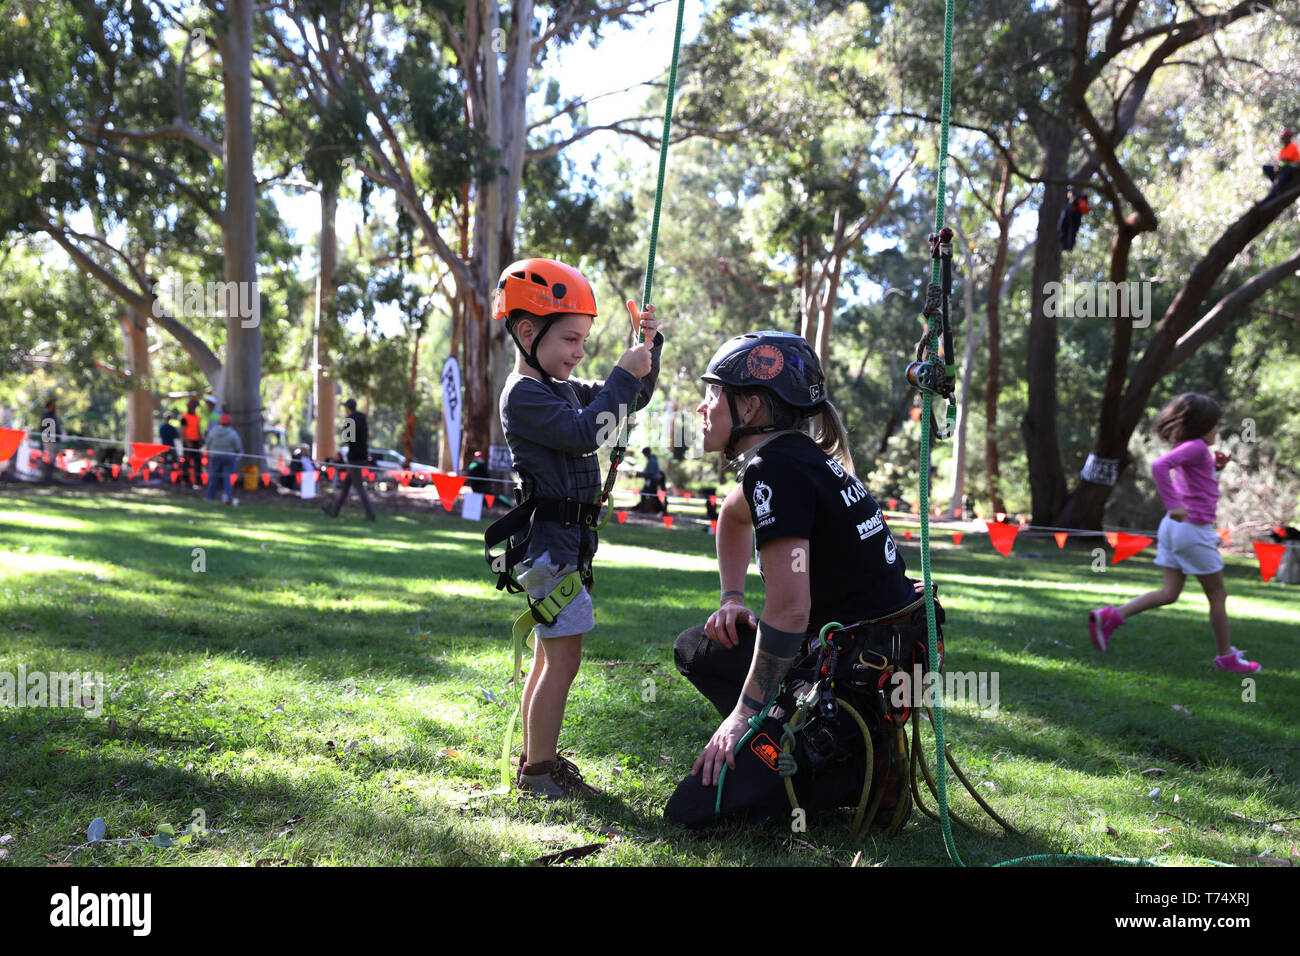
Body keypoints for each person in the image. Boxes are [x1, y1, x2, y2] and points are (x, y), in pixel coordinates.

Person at [664, 332, 932, 828]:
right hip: (846, 667)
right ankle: (796, 739)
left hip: (844, 690)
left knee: (690, 814)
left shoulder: (776, 468)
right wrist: (731, 597)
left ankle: (855, 772)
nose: (702, 408)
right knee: (697, 647)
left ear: (749, 405)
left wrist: (742, 715)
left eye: (712, 393)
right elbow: (733, 514)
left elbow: (790, 610)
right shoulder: (791, 458)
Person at [495, 257, 663, 799]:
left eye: (584, 340)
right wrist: (621, 372)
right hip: (549, 548)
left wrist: (647, 355)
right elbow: (586, 432)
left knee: (551, 657)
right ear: (527, 332)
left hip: (567, 547)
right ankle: (540, 773)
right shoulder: (525, 395)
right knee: (563, 660)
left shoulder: (561, 387)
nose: (579, 351)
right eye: (571, 338)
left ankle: (534, 763)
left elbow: (628, 400)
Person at [1089, 393, 1258, 673]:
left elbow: (1192, 477)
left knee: (1170, 592)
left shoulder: (1194, 449)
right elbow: (1159, 466)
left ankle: (1110, 617)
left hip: (1174, 528)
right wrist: (1174, 504)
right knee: (1218, 595)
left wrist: (1214, 465)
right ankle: (1226, 658)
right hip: (1191, 529)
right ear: (1202, 425)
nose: (1217, 429)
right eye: (1214, 424)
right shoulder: (1194, 448)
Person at [324, 398, 375, 520]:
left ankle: (370, 514)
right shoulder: (362, 418)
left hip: (354, 457)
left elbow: (347, 439)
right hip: (362, 454)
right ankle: (334, 510)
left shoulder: (350, 419)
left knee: (359, 486)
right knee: (346, 485)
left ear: (347, 408)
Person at [203, 412, 244, 505]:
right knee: (227, 478)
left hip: (214, 457)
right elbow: (238, 447)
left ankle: (209, 497)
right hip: (229, 458)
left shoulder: (213, 431)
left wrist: (210, 453)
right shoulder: (232, 433)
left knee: (213, 477)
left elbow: (208, 444)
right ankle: (227, 497)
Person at [1261, 129, 1298, 201]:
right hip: (1281, 169)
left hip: (1290, 170)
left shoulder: (1292, 147)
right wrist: (1277, 165)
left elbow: (1285, 161)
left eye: (1284, 138)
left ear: (1288, 138)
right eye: (1282, 138)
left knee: (1283, 169)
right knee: (1266, 167)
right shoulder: (1283, 150)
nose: (1282, 139)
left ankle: (1277, 189)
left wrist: (1280, 164)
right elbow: (1280, 162)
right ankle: (1277, 184)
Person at [634, 446, 667, 513]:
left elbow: (649, 473)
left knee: (644, 493)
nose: (644, 456)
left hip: (652, 481)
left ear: (647, 453)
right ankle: (661, 509)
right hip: (652, 481)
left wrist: (641, 474)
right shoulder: (652, 459)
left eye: (644, 454)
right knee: (654, 496)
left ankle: (644, 509)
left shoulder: (652, 461)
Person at [180, 398, 204, 487]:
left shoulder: (197, 417)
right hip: (188, 442)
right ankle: (186, 481)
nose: (194, 408)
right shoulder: (184, 417)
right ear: (189, 407)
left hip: (196, 442)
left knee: (198, 462)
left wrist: (200, 439)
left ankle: (198, 481)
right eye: (193, 407)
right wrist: (187, 442)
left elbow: (198, 429)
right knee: (186, 462)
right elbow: (182, 431)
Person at [39, 396, 61, 483]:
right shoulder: (46, 415)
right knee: (49, 458)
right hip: (49, 440)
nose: (55, 406)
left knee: (53, 459)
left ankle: (50, 477)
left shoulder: (53, 415)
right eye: (53, 405)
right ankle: (47, 477)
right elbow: (44, 428)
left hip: (55, 440)